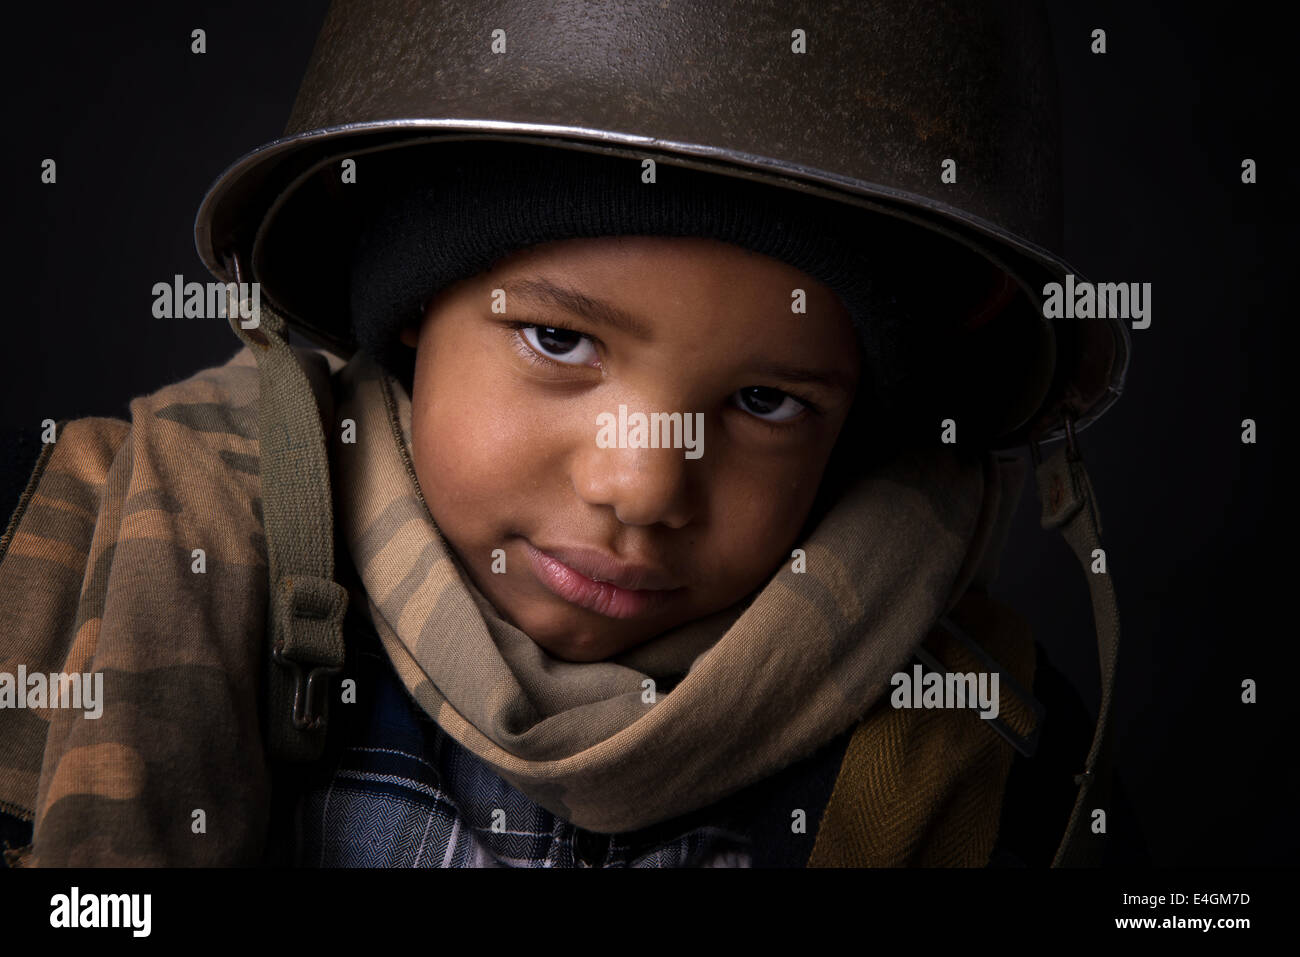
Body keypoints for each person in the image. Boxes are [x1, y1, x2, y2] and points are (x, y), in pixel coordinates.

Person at [0, 0, 1133, 867]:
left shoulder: (976, 760)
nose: (642, 488)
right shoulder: (91, 559)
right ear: (405, 328)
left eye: (765, 403)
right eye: (556, 341)